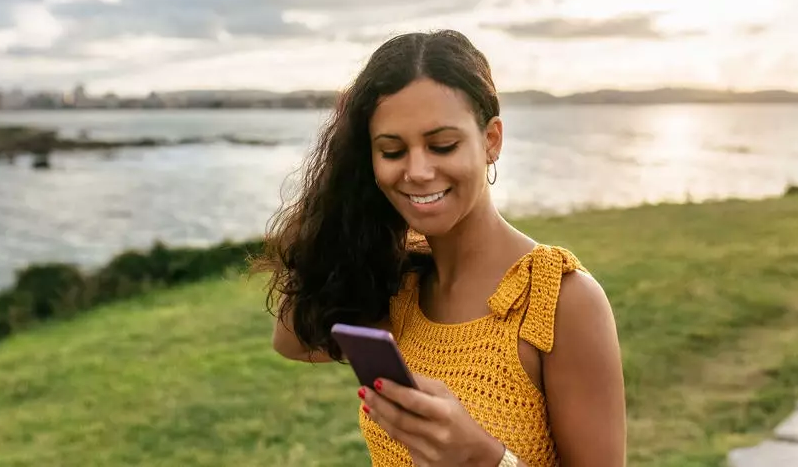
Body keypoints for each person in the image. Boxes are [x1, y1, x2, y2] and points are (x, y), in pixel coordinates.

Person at [257, 30, 626, 466]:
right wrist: (351, 194)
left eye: (442, 145)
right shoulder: (402, 285)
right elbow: (293, 338)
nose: (417, 170)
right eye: (392, 151)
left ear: (491, 141)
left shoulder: (557, 299)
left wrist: (482, 457)